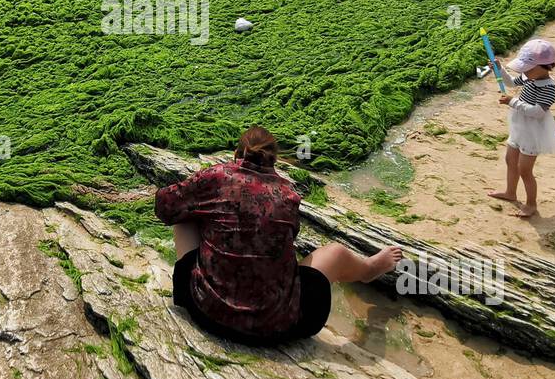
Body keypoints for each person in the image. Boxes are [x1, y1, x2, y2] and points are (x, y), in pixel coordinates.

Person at [154, 126, 403, 346]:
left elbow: (164, 206)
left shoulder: (217, 176)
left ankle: (369, 268)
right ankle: (368, 269)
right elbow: (289, 237)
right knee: (334, 253)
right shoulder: (287, 194)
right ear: (274, 161)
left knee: (184, 214)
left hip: (207, 312)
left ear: (236, 156)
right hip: (279, 328)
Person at [487, 39, 555, 218]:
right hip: (519, 125)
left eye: (527, 67)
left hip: (533, 131)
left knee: (524, 170)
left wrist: (512, 101)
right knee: (510, 160)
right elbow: (512, 83)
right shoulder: (530, 76)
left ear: (545, 67)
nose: (524, 72)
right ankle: (510, 192)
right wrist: (499, 70)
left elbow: (537, 112)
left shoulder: (549, 88)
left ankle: (531, 204)